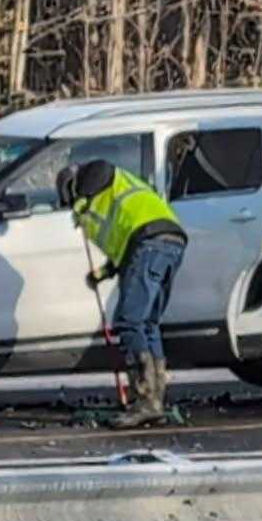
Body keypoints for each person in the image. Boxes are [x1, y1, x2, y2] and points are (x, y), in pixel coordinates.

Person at [57, 159, 189, 427]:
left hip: (150, 241)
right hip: (168, 241)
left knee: (128, 322)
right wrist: (105, 272)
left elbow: (99, 170)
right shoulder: (115, 196)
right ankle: (156, 399)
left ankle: (145, 400)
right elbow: (123, 247)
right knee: (147, 324)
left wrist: (80, 203)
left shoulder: (97, 175)